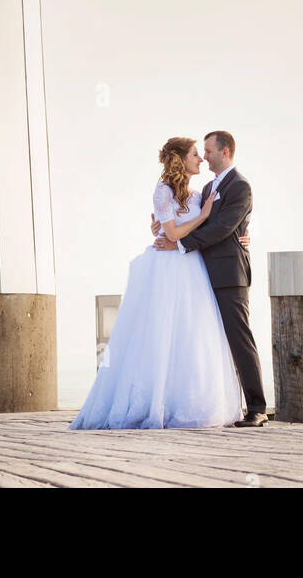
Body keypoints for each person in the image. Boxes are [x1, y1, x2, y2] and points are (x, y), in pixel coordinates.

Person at [69, 137, 244, 429]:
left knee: (193, 332)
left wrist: (242, 236)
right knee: (161, 332)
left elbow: (214, 226)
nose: (200, 158)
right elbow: (173, 234)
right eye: (194, 154)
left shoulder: (198, 192)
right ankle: (156, 401)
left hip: (192, 268)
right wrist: (198, 217)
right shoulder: (163, 191)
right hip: (167, 268)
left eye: (203, 154)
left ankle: (188, 399)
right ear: (180, 159)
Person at [153, 130, 268, 426]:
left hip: (229, 274)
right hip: (200, 274)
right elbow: (188, 219)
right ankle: (222, 404)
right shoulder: (205, 189)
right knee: (208, 341)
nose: (204, 156)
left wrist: (178, 243)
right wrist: (161, 228)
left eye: (209, 151)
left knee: (239, 338)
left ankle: (257, 408)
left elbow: (224, 227)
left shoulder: (240, 186)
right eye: (200, 152)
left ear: (225, 152)